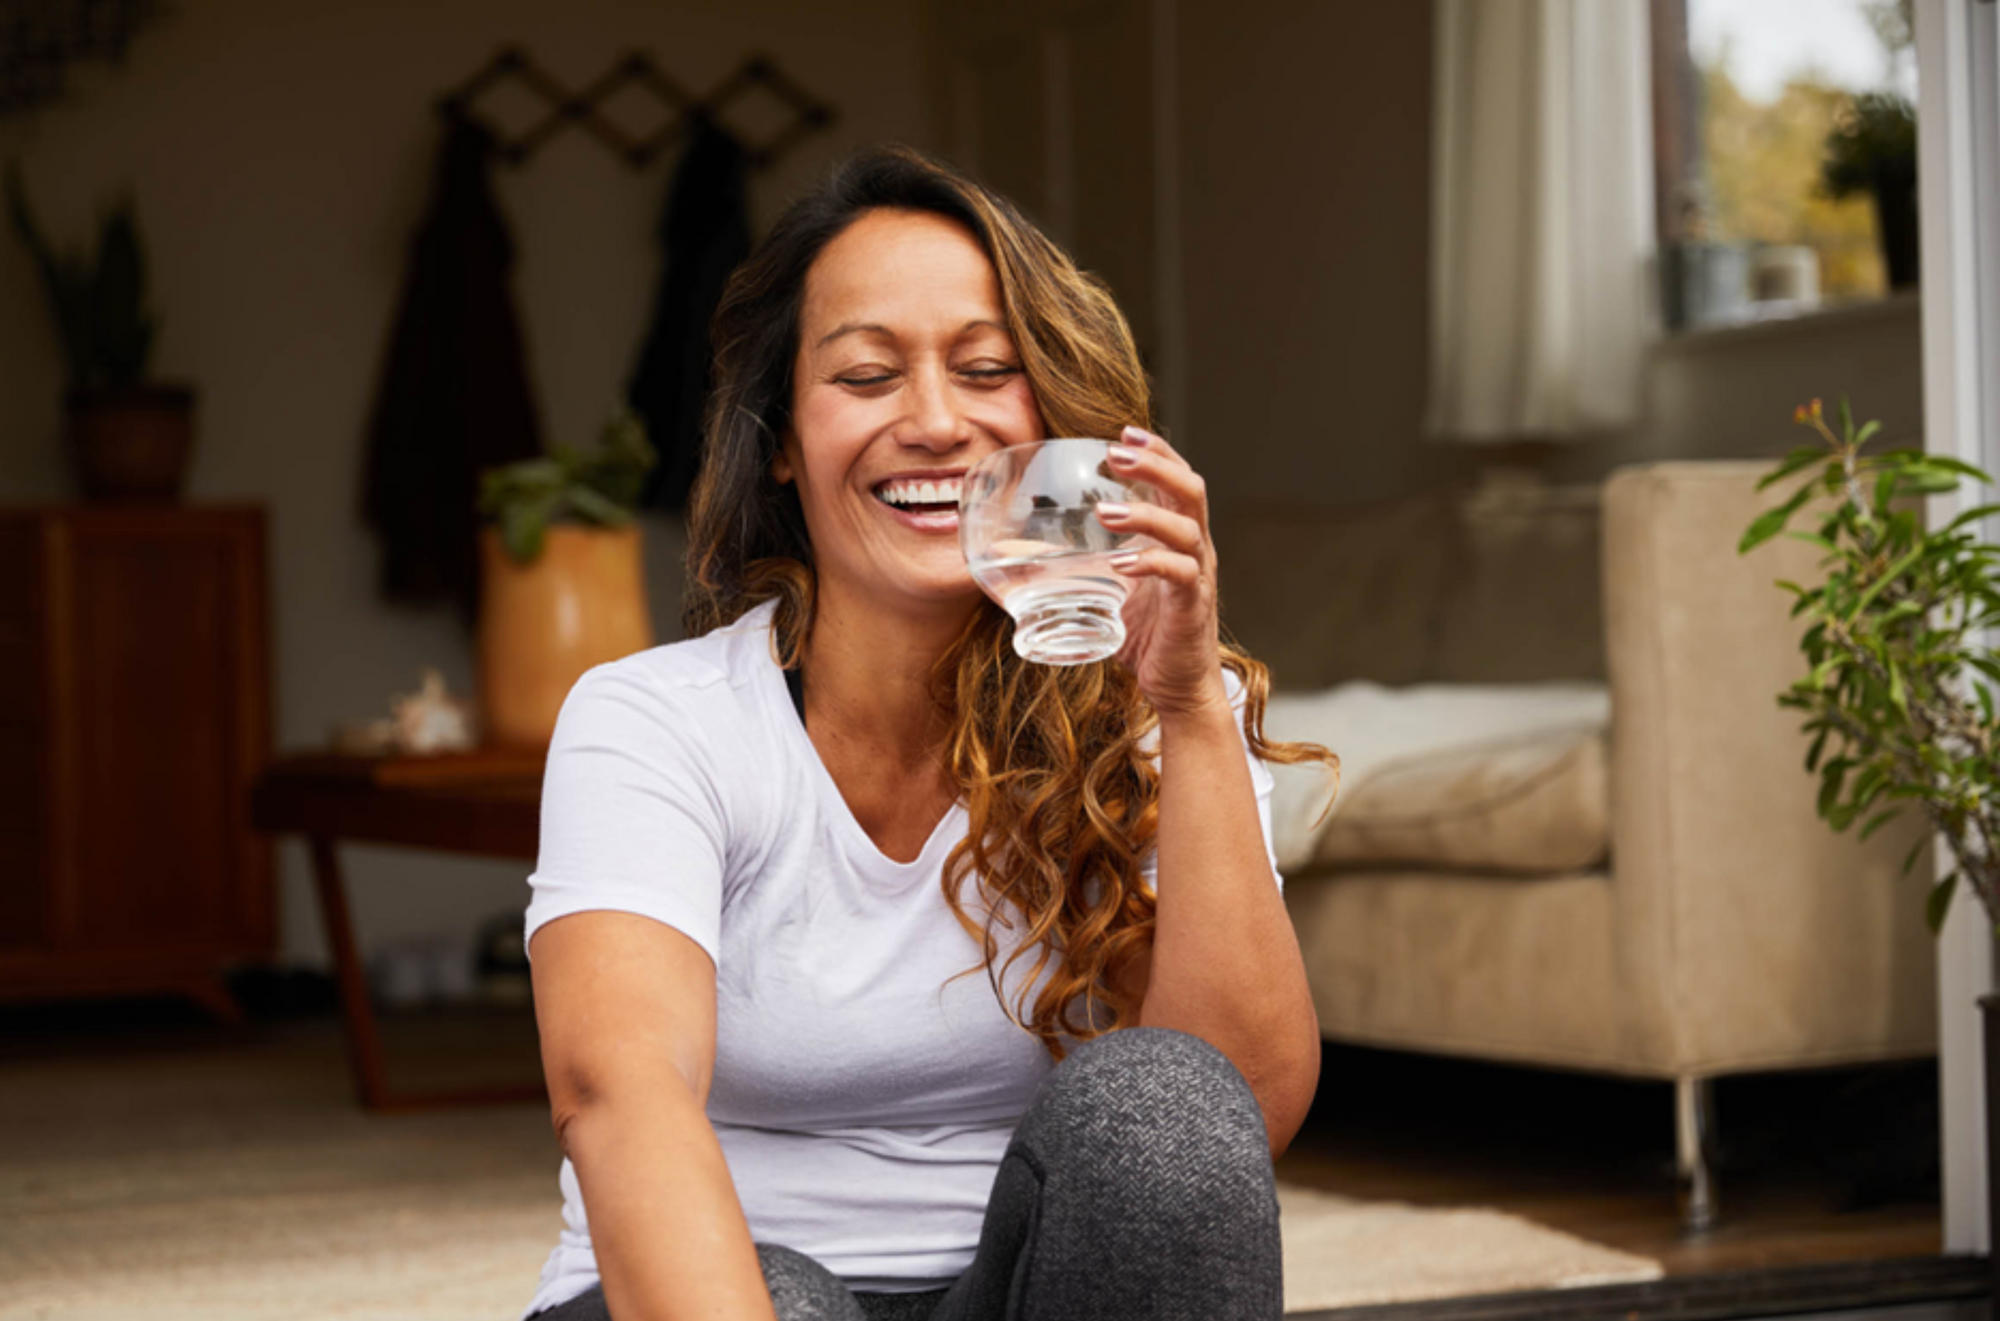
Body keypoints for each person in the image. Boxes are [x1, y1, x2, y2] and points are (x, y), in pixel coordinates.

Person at [522, 144, 1331, 1321]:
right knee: (785, 1297)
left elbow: (1237, 1108)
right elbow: (618, 1096)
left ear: (1049, 417)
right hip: (709, 1305)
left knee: (1161, 1097)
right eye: (863, 377)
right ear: (784, 442)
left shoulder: (1154, 709)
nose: (935, 422)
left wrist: (1188, 707)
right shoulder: (656, 721)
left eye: (986, 369)